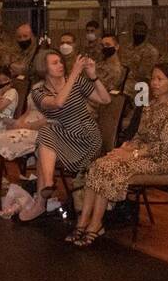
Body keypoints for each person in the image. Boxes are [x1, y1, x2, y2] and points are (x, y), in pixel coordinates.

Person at [70, 62, 168, 247]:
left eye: (159, 79)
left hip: (158, 160)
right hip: (139, 153)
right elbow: (139, 136)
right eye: (153, 78)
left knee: (110, 167)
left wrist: (133, 155)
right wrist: (126, 148)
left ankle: (96, 224)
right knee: (99, 165)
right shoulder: (150, 106)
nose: (154, 83)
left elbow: (162, 146)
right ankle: (83, 221)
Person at [18, 50, 111, 222]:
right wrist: (75, 73)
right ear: (43, 68)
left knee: (43, 142)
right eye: (54, 63)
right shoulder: (38, 92)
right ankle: (45, 189)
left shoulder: (75, 81)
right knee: (45, 136)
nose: (60, 65)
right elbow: (57, 103)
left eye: (61, 62)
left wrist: (93, 76)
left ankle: (43, 194)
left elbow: (105, 99)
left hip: (86, 135)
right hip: (64, 134)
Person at [120, 18, 160, 92]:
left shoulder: (151, 51)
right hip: (123, 82)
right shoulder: (126, 48)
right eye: (136, 31)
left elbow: (143, 75)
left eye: (141, 31)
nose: (138, 34)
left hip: (141, 86)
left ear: (146, 33)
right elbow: (122, 66)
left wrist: (126, 75)